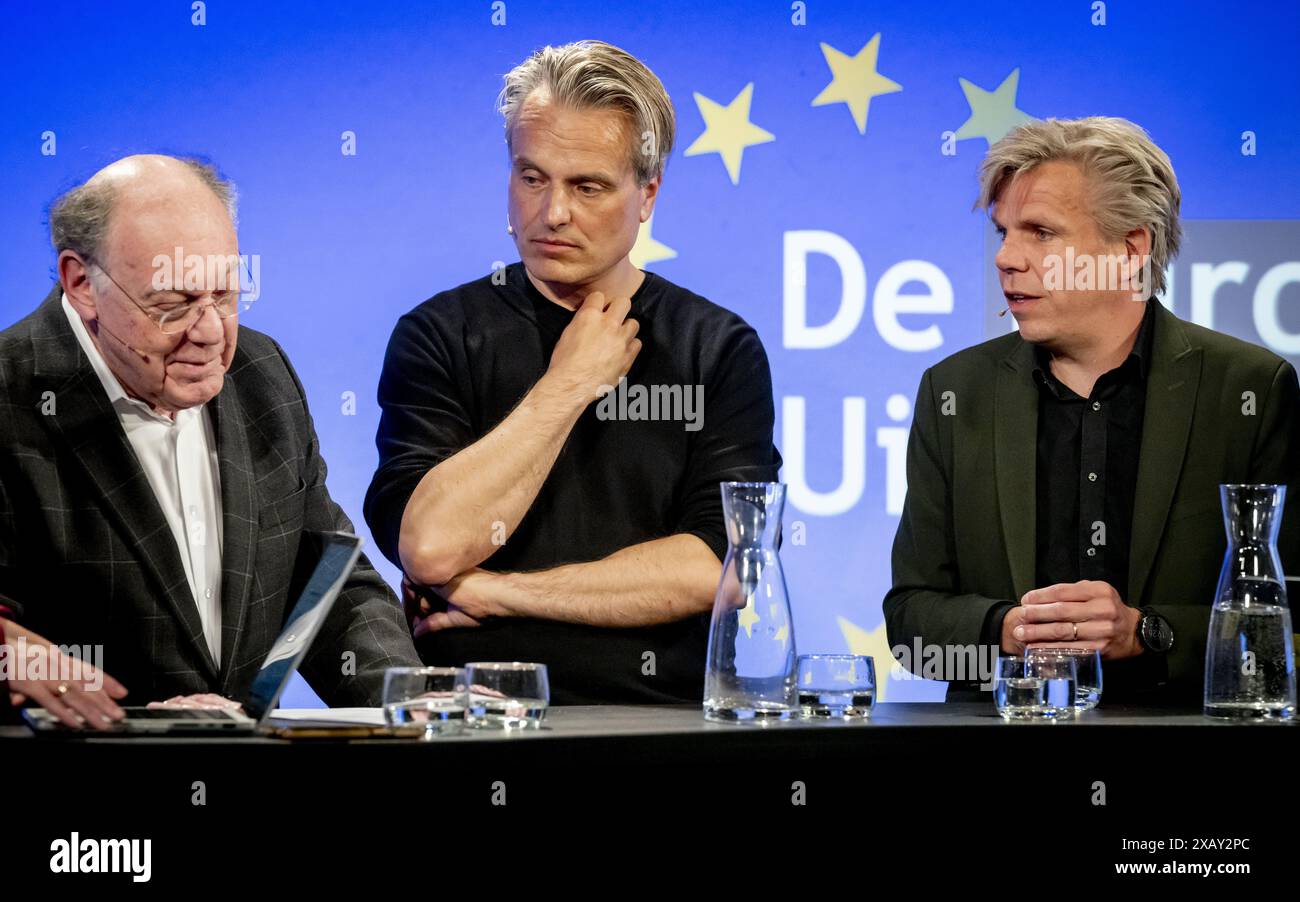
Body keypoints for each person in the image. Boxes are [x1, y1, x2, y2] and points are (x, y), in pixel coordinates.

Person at [365, 40, 781, 704]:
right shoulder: (439, 335)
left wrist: (501, 593)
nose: (551, 213)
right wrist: (567, 386)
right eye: (531, 178)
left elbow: (715, 569)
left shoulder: (717, 348)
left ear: (648, 194)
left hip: (662, 728)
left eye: (587, 186)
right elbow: (431, 547)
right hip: (473, 722)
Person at [884, 117, 1300, 701]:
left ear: (1130, 249)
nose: (1006, 257)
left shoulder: (1249, 391)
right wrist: (1009, 629)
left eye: (1040, 232)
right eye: (1003, 231)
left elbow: (1286, 624)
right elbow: (911, 623)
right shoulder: (955, 392)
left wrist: (1146, 632)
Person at [0, 155, 420, 729]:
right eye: (171, 304)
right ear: (81, 283)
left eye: (224, 295)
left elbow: (324, 580)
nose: (209, 334)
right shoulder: (10, 395)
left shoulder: (261, 372)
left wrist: (407, 700)